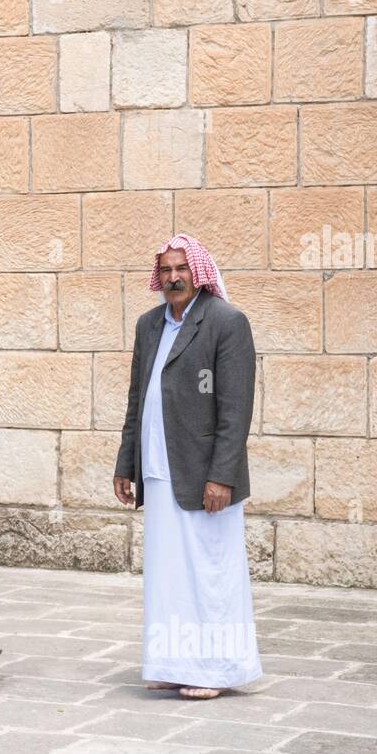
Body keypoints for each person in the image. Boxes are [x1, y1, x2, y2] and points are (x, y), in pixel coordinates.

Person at [112, 234, 262, 700]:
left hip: (204, 476)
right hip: (158, 472)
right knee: (168, 576)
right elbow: (138, 400)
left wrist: (222, 475)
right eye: (165, 270)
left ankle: (214, 670)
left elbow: (235, 410)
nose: (173, 277)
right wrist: (127, 463)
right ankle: (174, 662)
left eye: (181, 268)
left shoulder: (226, 323)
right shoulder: (148, 324)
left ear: (197, 272)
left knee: (209, 572)